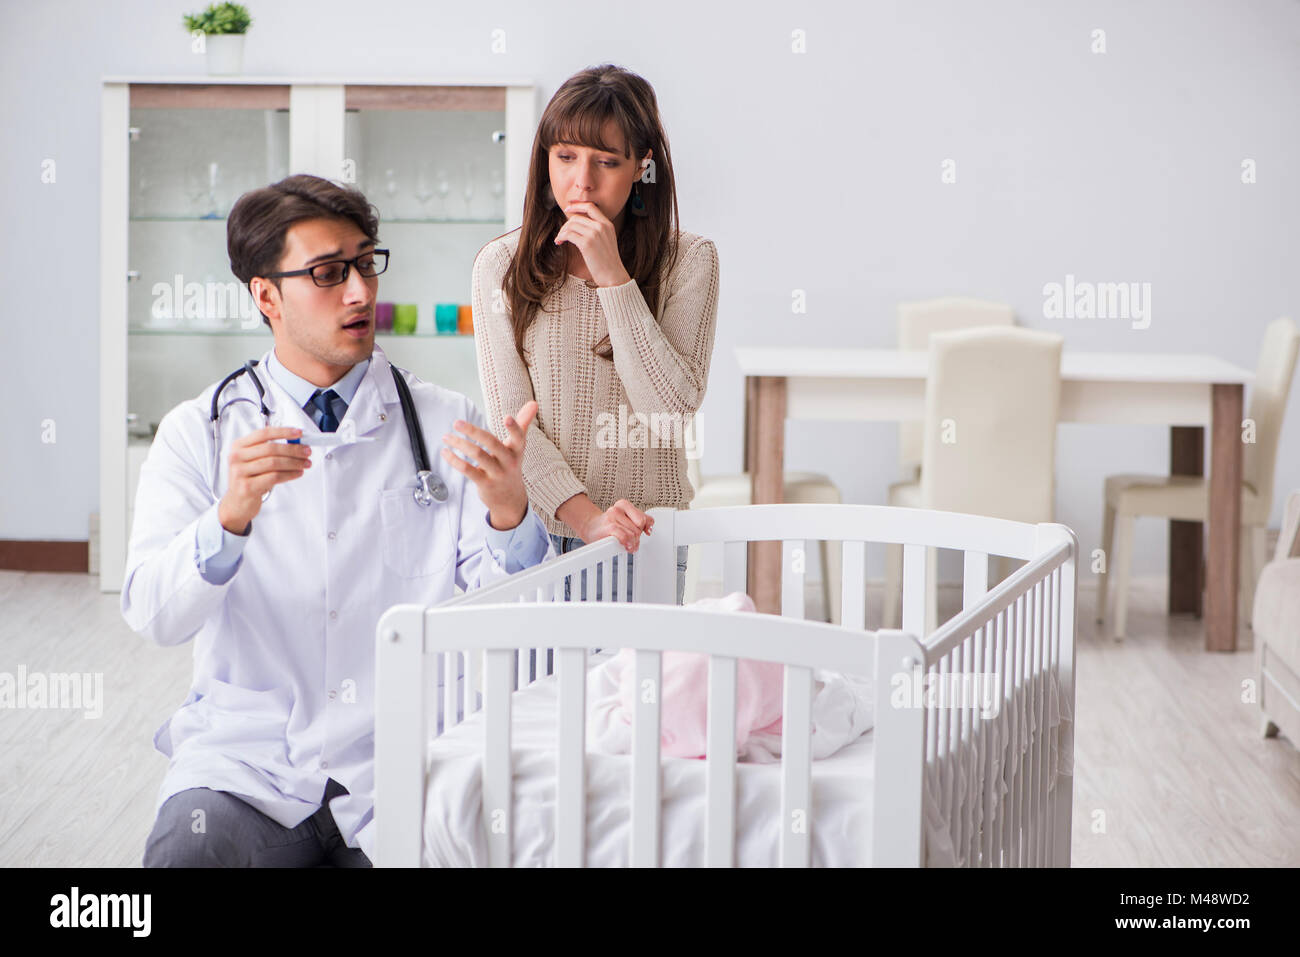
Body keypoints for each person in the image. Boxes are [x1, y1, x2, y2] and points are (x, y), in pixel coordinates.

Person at [122, 174, 553, 867]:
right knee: (186, 850)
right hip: (250, 765)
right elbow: (152, 612)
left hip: (407, 765)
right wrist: (226, 523)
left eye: (364, 263)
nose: (359, 292)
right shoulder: (196, 432)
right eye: (327, 273)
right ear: (266, 295)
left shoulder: (449, 423)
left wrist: (511, 514)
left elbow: (516, 631)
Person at [473, 64, 720, 604]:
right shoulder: (500, 266)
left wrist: (614, 279)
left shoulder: (689, 262)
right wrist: (586, 519)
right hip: (535, 537)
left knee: (635, 690)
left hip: (642, 538)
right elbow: (513, 425)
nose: (581, 182)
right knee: (533, 688)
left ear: (641, 168)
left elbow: (669, 413)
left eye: (607, 162)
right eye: (565, 157)